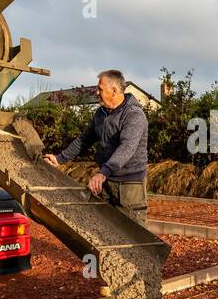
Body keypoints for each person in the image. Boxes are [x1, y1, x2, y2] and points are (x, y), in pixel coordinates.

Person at [43, 70, 149, 225]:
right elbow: (85, 139)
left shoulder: (133, 115)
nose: (96, 92)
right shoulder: (101, 113)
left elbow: (126, 148)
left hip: (129, 186)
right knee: (107, 230)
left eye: (100, 88)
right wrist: (60, 159)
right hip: (106, 182)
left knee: (134, 235)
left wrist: (102, 173)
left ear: (114, 90)